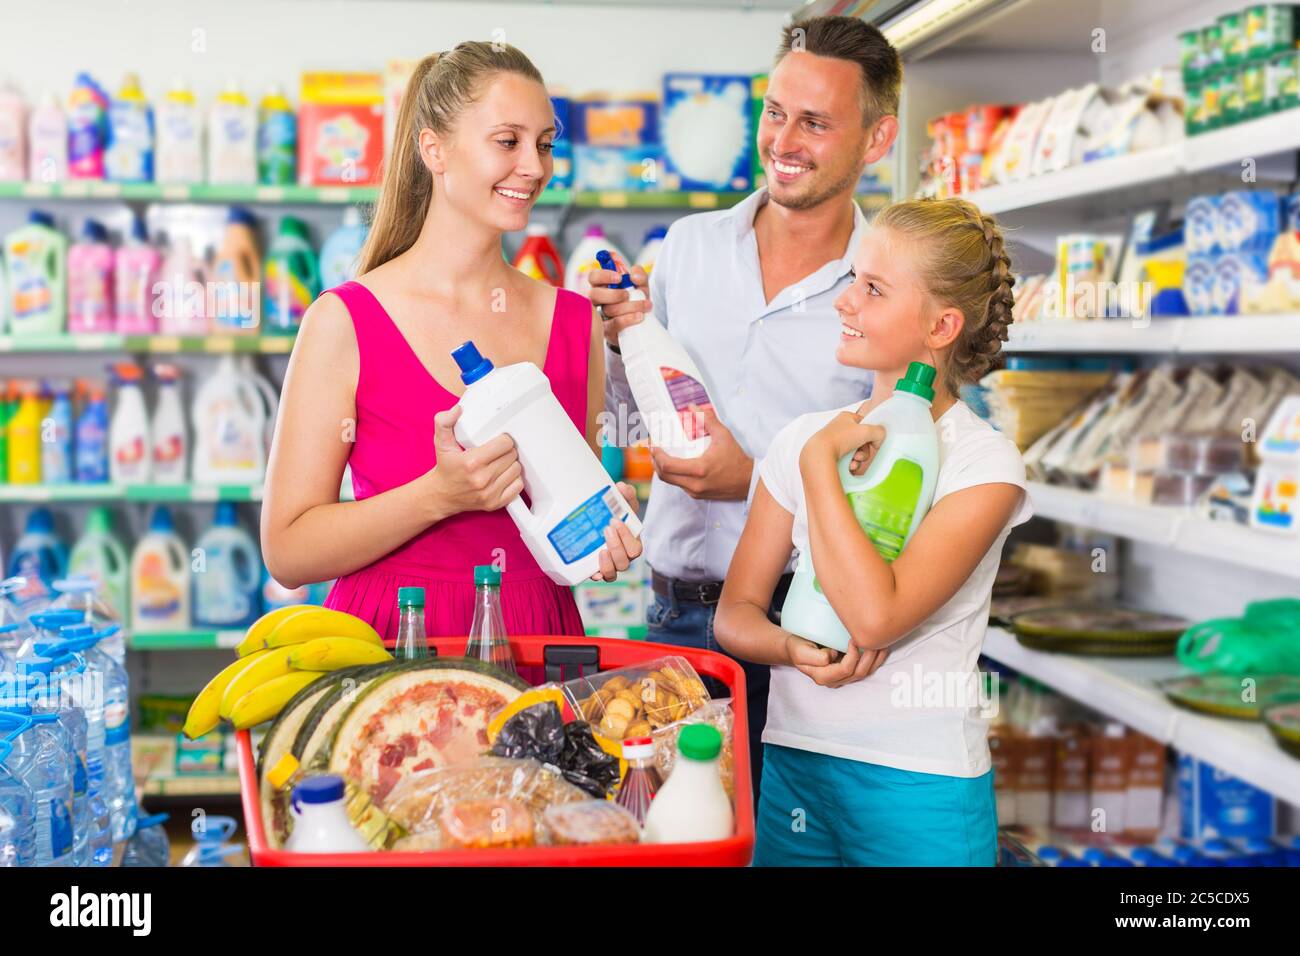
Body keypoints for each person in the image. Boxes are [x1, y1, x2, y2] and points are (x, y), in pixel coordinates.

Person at [589, 15, 901, 800]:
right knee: (675, 836)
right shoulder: (690, 247)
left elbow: (890, 488)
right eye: (774, 111)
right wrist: (617, 338)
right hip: (673, 617)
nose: (783, 140)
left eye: (816, 122)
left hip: (803, 628)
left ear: (877, 139)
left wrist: (754, 479)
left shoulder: (886, 286)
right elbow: (634, 406)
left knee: (787, 844)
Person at [261, 42, 640, 641]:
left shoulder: (573, 322)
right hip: (391, 642)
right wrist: (439, 496)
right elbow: (286, 550)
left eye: (544, 144)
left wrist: (599, 540)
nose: (536, 167)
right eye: (508, 141)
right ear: (433, 148)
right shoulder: (346, 320)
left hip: (535, 639)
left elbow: (560, 519)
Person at [714, 197, 1032, 867]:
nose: (844, 301)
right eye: (852, 278)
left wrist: (820, 472)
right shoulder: (803, 435)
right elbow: (735, 615)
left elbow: (876, 616)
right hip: (797, 763)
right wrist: (787, 646)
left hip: (919, 780)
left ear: (942, 325)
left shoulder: (982, 462)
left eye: (873, 288)